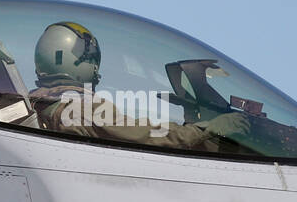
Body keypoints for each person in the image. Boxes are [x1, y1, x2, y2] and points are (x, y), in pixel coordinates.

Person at [28, 21, 249, 150]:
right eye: (93, 61)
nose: (96, 70)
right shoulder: (82, 108)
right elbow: (147, 134)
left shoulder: (37, 103)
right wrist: (206, 129)